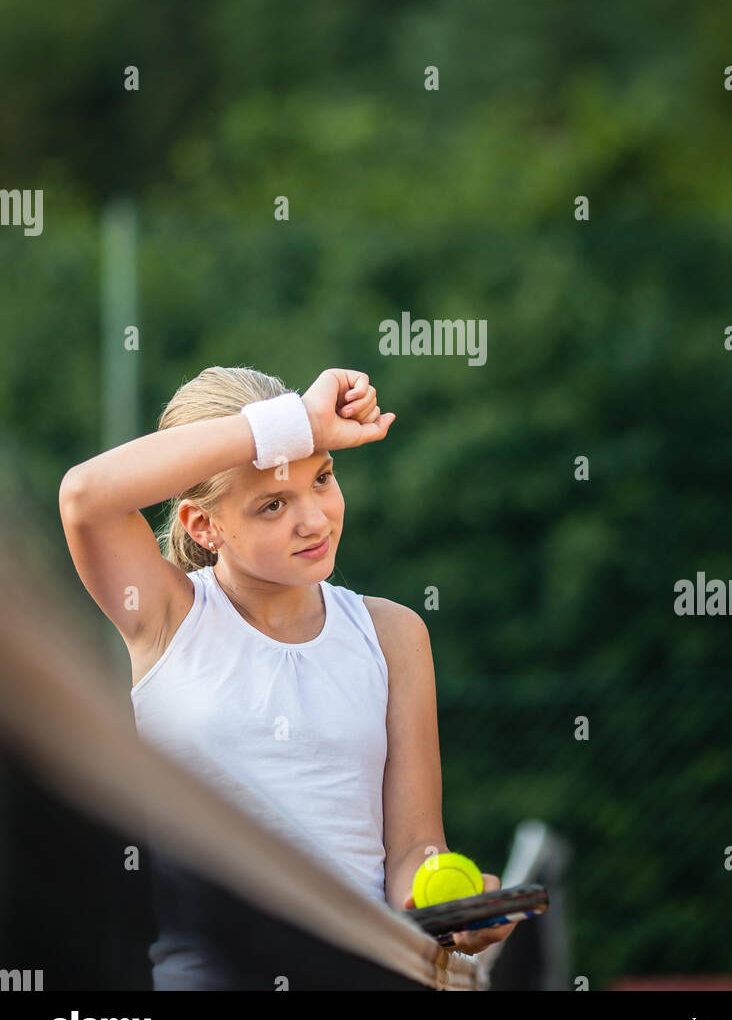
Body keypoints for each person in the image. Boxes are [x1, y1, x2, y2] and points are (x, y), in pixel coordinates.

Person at [58, 365, 517, 988]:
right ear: (203, 525)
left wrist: (448, 904)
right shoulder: (164, 616)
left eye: (322, 479)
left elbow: (413, 850)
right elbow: (86, 496)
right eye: (274, 503)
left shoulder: (395, 634)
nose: (314, 519)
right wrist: (291, 424)